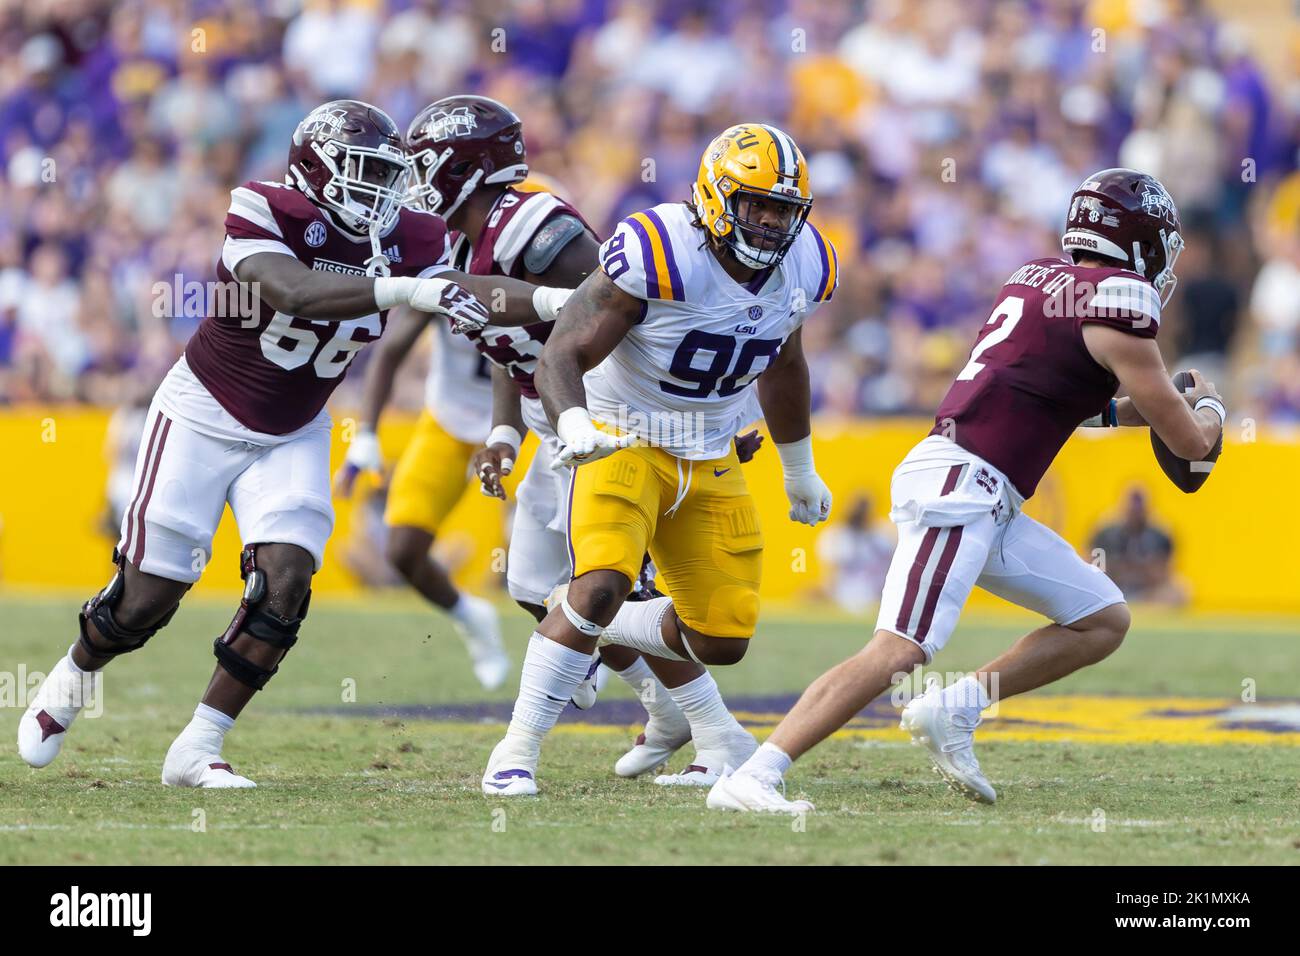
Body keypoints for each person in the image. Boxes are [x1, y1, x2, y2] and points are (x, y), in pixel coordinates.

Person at [18, 99, 572, 788]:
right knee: (146, 598)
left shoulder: (418, 236)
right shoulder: (263, 209)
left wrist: (555, 304)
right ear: (314, 170)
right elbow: (295, 292)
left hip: (293, 429)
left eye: (387, 173)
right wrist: (405, 288)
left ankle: (200, 745)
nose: (381, 190)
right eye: (363, 170)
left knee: (285, 583)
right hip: (201, 415)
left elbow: (479, 305)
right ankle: (72, 678)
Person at [708, 168, 1226, 813]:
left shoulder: (1039, 279)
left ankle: (954, 708)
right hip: (963, 484)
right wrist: (1209, 409)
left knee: (1101, 619)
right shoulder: (1121, 301)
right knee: (899, 647)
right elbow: (1191, 443)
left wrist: (1165, 410)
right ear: (1141, 240)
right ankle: (754, 775)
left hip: (984, 488)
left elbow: (1068, 402)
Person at [481, 123, 838, 796]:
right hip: (626, 436)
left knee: (722, 638)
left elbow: (785, 363)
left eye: (783, 208)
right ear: (714, 196)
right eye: (755, 203)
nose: (769, 221)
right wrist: (574, 420)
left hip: (709, 452)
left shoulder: (809, 264)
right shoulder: (659, 249)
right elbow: (562, 350)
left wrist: (799, 466)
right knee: (602, 581)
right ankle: (515, 751)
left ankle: (578, 611)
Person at [1090, 487, 1187, 606]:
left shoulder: (1160, 535)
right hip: (1113, 590)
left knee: (1180, 590)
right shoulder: (1105, 534)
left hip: (1148, 592)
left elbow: (1165, 572)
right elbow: (1095, 570)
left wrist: (1140, 571)